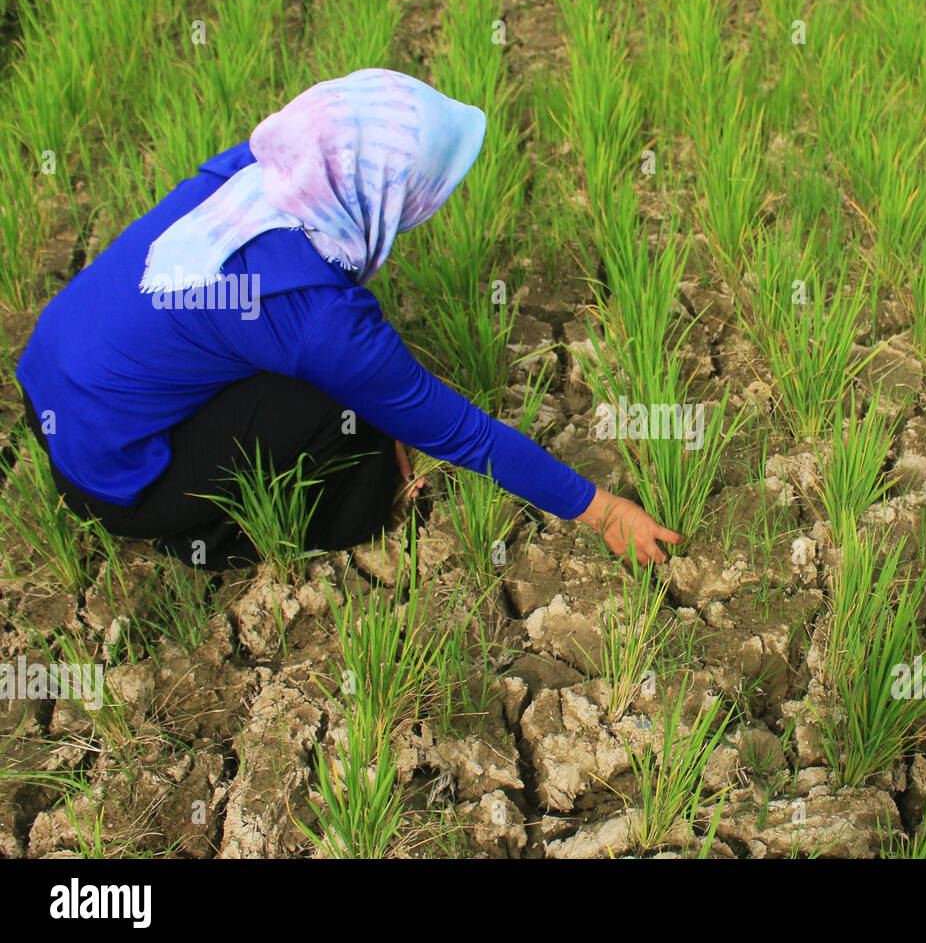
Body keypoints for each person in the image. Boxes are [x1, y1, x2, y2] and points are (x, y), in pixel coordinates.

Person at [15, 68, 680, 571]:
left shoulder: (250, 169)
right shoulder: (316, 320)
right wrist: (601, 510)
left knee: (317, 375)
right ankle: (222, 536)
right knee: (345, 416)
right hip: (115, 477)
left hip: (47, 392)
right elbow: (463, 434)